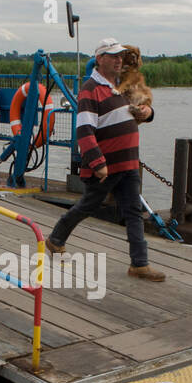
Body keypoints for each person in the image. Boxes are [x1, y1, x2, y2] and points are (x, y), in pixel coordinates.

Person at [46, 38, 164, 281]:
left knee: (133, 211)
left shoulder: (126, 85)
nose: (119, 60)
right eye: (113, 56)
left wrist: (147, 112)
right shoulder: (90, 89)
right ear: (99, 59)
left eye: (121, 55)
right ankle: (56, 238)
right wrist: (97, 163)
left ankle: (139, 264)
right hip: (106, 166)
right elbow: (84, 131)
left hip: (129, 162)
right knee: (88, 206)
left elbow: (145, 109)